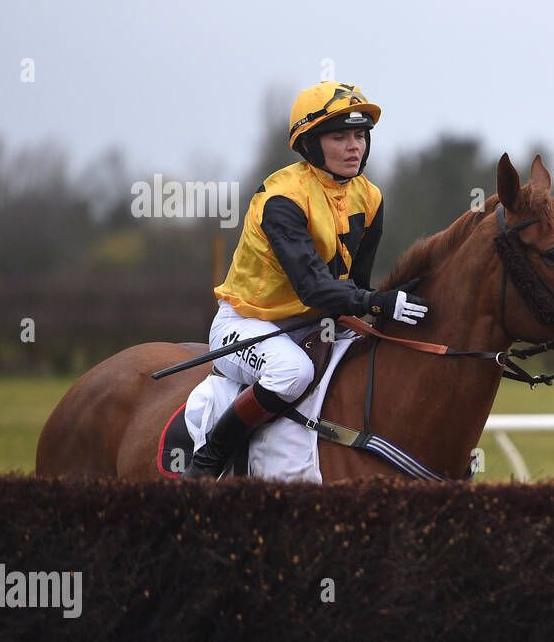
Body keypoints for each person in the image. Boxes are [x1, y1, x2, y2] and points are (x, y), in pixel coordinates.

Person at [183, 82, 428, 479]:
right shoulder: (282, 199)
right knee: (292, 372)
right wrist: (378, 301)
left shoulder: (370, 197)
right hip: (248, 324)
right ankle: (207, 462)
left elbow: (356, 283)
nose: (354, 147)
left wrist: (383, 305)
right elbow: (314, 288)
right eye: (340, 137)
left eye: (360, 135)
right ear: (310, 144)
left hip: (318, 324)